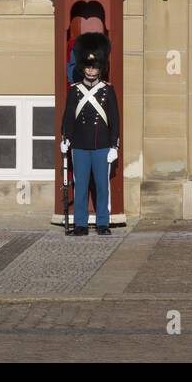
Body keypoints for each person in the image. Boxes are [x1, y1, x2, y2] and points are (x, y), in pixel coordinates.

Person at [61, 32, 120, 237]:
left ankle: (103, 222)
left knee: (102, 186)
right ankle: (81, 224)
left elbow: (114, 119)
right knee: (81, 185)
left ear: (99, 68)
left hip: (102, 145)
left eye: (94, 67)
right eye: (88, 66)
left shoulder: (107, 91)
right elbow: (68, 116)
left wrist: (114, 146)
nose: (91, 70)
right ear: (83, 68)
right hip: (79, 145)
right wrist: (65, 137)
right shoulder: (75, 90)